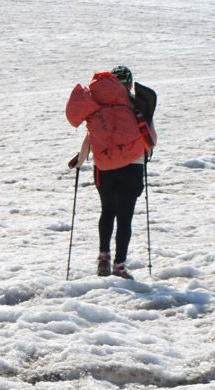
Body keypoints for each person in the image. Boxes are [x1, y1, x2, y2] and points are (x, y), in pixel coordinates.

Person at [65, 65, 155, 280]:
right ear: (130, 84)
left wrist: (79, 160)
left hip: (104, 167)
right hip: (132, 166)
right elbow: (151, 140)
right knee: (125, 217)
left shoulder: (98, 107)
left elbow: (90, 138)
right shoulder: (136, 105)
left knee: (107, 211)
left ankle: (103, 259)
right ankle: (120, 266)